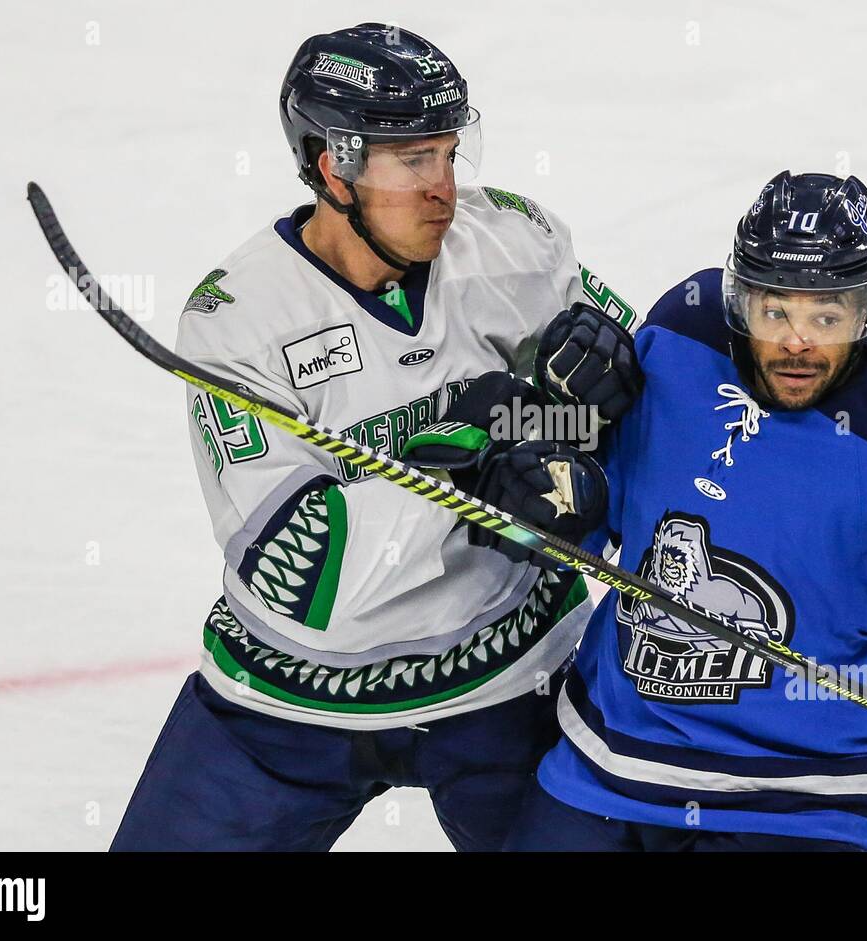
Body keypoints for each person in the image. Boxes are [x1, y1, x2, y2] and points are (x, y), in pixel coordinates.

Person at [110, 23, 640, 851]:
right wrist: (473, 475)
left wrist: (603, 402)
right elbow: (298, 567)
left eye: (449, 153)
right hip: (284, 709)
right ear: (334, 166)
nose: (445, 189)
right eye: (413, 160)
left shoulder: (516, 246)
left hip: (513, 681)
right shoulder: (239, 321)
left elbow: (625, 412)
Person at [492, 171, 867, 851]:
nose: (797, 343)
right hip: (598, 773)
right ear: (737, 296)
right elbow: (598, 508)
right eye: (774, 311)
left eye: (827, 316)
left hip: (795, 809)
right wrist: (552, 476)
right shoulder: (681, 336)